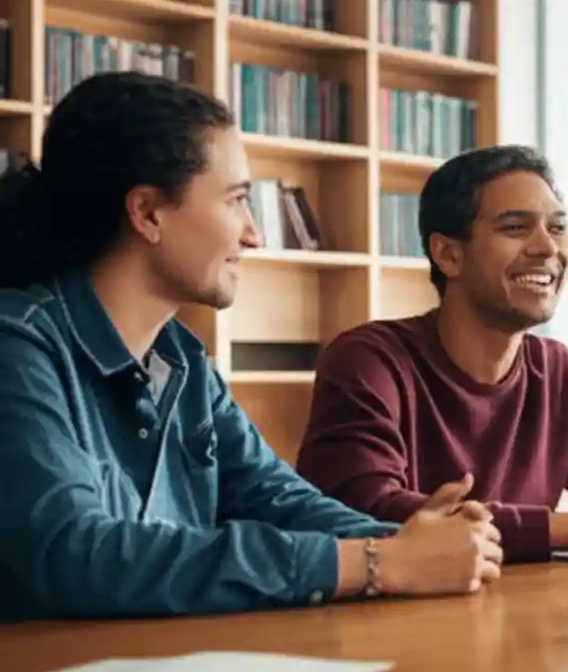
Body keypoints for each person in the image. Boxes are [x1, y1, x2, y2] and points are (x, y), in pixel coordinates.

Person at [0, 72, 502, 621]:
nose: (254, 233)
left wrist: (414, 543)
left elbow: (278, 499)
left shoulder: (183, 361)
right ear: (146, 212)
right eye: (237, 200)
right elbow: (75, 553)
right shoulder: (17, 347)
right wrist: (377, 562)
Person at [295, 145, 568, 563]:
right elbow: (366, 511)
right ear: (448, 254)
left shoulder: (559, 374)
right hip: (393, 607)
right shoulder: (369, 361)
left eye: (557, 228)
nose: (546, 248)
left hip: (519, 606)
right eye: (515, 228)